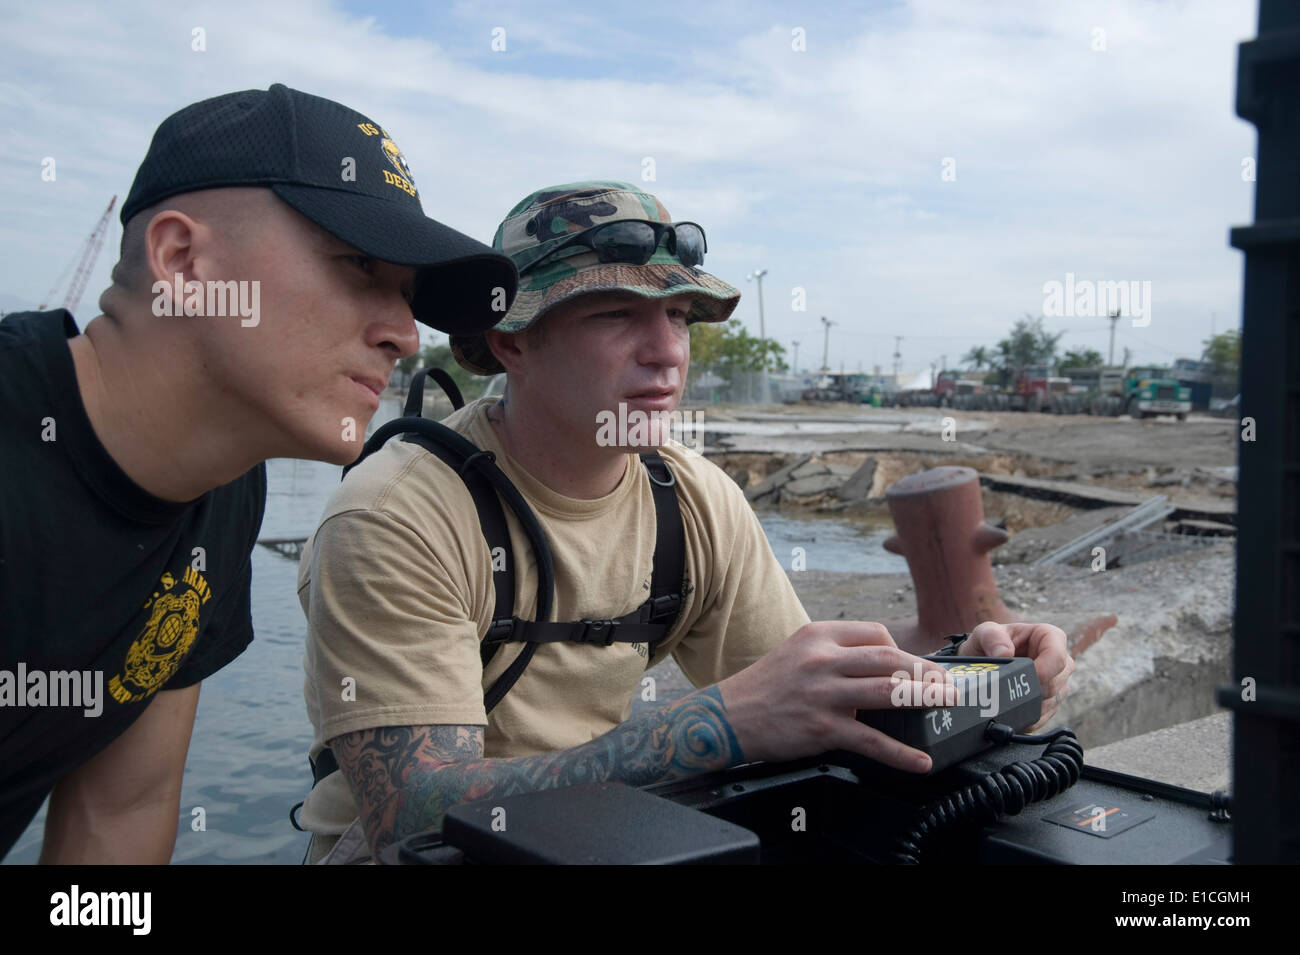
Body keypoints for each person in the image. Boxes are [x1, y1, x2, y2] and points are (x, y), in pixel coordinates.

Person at [296, 180, 1075, 863]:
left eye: (679, 315)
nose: (667, 352)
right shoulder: (398, 516)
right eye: (615, 314)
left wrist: (965, 671)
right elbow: (412, 814)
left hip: (606, 834)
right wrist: (706, 726)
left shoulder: (692, 498)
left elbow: (800, 685)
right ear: (511, 340)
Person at [0, 83, 517, 863]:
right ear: (181, 259)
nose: (407, 336)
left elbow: (117, 815)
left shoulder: (221, 486)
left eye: (408, 295)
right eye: (358, 266)